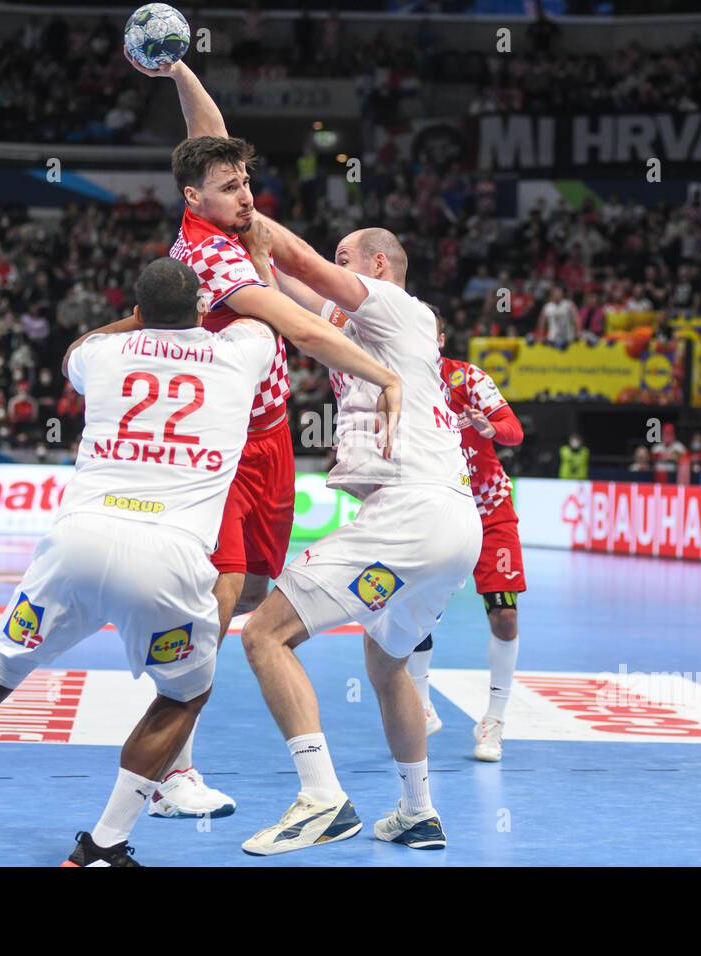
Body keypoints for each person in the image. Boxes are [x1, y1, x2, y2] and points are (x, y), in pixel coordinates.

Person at [0, 258, 391, 866]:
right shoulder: (243, 350)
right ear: (199, 312)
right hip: (167, 557)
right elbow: (272, 316)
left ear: (136, 313)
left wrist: (135, 322)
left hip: (76, 544)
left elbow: (79, 347)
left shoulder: (103, 357)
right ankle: (104, 844)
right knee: (185, 696)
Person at [130, 55, 403, 818]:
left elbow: (208, 136)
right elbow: (302, 327)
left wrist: (177, 68)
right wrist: (383, 377)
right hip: (227, 451)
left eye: (248, 183)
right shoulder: (212, 257)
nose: (245, 195)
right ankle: (168, 773)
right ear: (195, 201)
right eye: (230, 189)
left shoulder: (208, 205)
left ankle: (170, 712)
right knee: (215, 609)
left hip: (274, 439)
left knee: (249, 590)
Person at [235, 215, 482, 855]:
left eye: (345, 255)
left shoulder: (397, 306)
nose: (332, 264)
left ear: (375, 267)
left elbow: (304, 264)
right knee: (385, 660)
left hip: (411, 513)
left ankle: (321, 799)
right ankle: (418, 811)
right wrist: (252, 252)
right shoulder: (363, 327)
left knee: (265, 633)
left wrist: (240, 205)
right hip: (450, 524)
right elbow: (289, 284)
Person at [402, 308, 527, 759]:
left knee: (505, 615)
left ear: (439, 338)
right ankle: (420, 707)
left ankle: (494, 721)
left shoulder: (468, 378)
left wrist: (490, 427)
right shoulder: (396, 382)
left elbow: (514, 432)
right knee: (415, 612)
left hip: (490, 509)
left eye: (429, 333)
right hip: (435, 510)